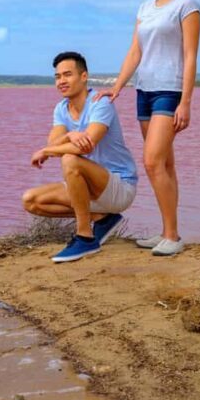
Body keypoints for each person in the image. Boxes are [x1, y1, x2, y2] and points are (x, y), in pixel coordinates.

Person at [95, 0, 200, 256]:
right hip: (144, 90)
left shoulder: (187, 4)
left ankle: (173, 237)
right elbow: (135, 51)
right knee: (165, 163)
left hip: (170, 90)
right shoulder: (145, 8)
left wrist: (186, 102)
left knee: (152, 161)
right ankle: (169, 232)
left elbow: (191, 55)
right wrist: (117, 87)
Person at [23, 51, 138, 263]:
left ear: (83, 77)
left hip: (119, 186)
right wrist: (68, 135)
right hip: (89, 189)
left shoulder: (100, 103)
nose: (61, 81)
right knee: (31, 200)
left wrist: (47, 152)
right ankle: (101, 219)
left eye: (67, 75)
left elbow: (84, 147)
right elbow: (53, 143)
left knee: (70, 159)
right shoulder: (61, 109)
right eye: (57, 77)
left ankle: (85, 237)